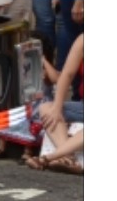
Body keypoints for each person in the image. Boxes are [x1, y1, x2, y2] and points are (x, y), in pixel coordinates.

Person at [27, 32, 83, 174]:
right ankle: (68, 158)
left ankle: (50, 157)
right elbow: (66, 75)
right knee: (46, 107)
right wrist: (57, 107)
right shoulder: (83, 40)